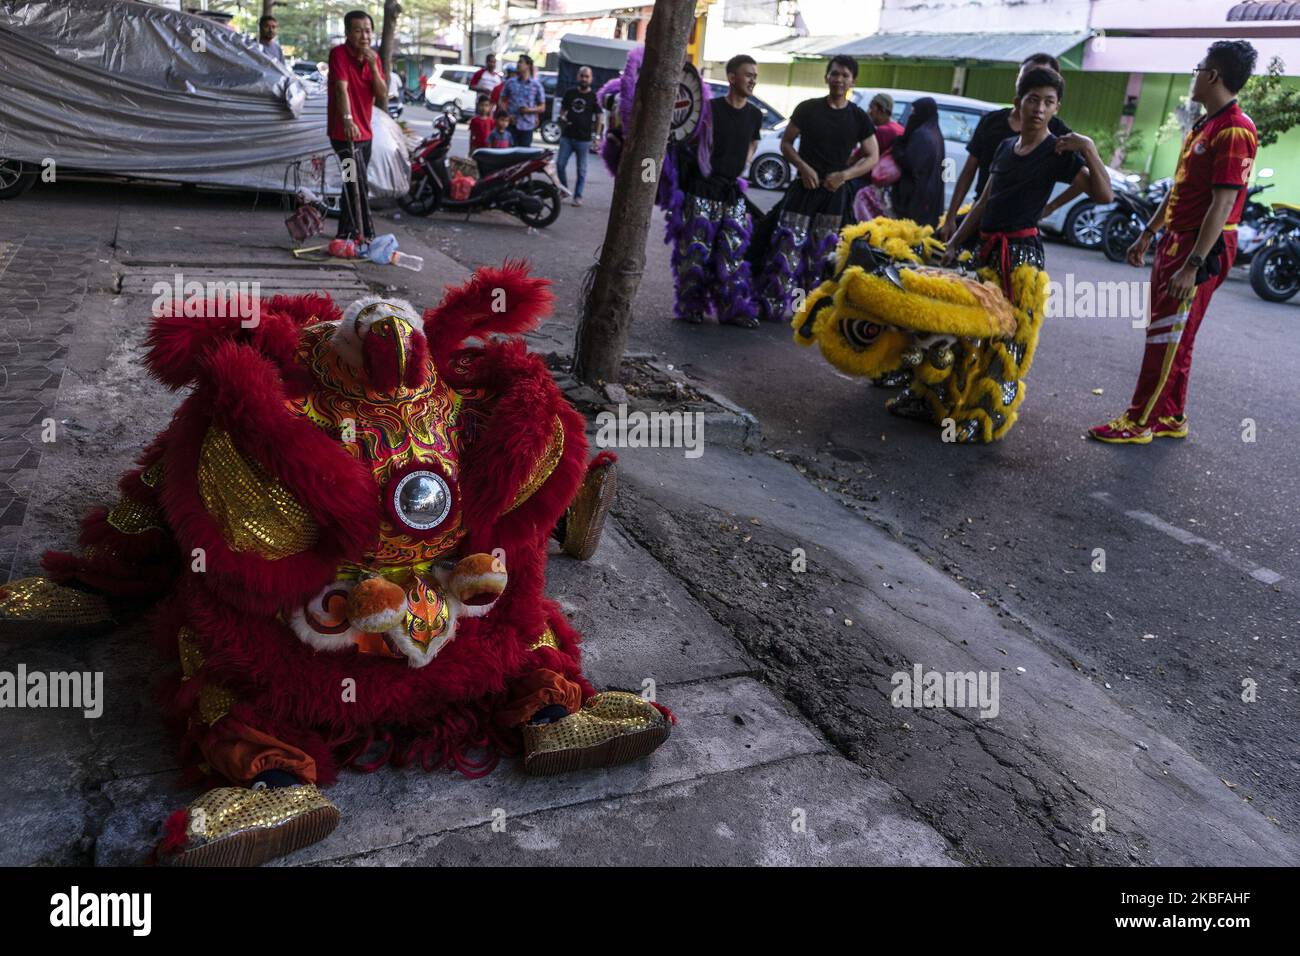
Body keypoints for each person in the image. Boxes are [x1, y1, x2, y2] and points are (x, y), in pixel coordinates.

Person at [1089, 41, 1258, 444]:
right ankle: (1171, 415)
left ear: (1213, 75)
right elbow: (1180, 189)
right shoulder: (1206, 124)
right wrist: (1149, 233)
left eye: (1199, 68)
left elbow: (1223, 203)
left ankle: (1138, 421)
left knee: (1165, 334)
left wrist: (1192, 265)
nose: (1194, 75)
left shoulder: (1235, 129)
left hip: (1200, 248)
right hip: (1177, 240)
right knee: (1175, 333)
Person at [942, 67, 1110, 283]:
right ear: (1018, 103)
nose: (1039, 109)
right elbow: (984, 203)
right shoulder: (1005, 146)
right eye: (1033, 100)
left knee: (1014, 317)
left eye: (1048, 102)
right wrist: (955, 243)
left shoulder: (1056, 151)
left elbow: (1105, 196)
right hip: (987, 249)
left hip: (1022, 259)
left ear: (1056, 108)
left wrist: (1089, 148)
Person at [754, 55, 879, 322]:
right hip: (803, 190)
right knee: (787, 248)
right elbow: (786, 143)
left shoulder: (858, 117)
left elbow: (872, 156)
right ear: (826, 77)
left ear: (852, 81)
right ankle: (773, 306)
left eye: (845, 75)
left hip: (834, 196)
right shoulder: (808, 108)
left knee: (819, 255)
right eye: (835, 74)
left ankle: (805, 310)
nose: (839, 79)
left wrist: (844, 175)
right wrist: (803, 166)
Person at [668, 54, 765, 328]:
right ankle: (691, 306)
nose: (753, 80)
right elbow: (685, 141)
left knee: (732, 253)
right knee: (695, 252)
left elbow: (753, 143)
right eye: (748, 75)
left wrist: (742, 163)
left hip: (731, 193)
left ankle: (732, 308)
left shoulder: (755, 114)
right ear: (732, 77)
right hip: (701, 190)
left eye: (755, 76)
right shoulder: (708, 111)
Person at [940, 53, 1071, 241]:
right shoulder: (992, 122)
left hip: (1019, 232)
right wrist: (950, 217)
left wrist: (1050, 207)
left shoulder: (1058, 132)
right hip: (981, 217)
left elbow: (1087, 180)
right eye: (1027, 75)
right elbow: (969, 171)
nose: (1034, 80)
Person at [327, 10, 388, 242]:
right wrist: (348, 119)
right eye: (358, 30)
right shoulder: (339, 54)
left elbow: (381, 95)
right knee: (355, 180)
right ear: (347, 33)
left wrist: (373, 67)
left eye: (368, 30)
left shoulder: (374, 58)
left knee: (352, 183)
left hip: (365, 135)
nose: (364, 36)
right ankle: (367, 233)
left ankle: (346, 232)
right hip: (344, 134)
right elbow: (341, 89)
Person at [891, 96, 945, 227]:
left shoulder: (922, 135)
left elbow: (910, 163)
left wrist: (898, 148)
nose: (911, 116)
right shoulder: (935, 133)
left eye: (915, 112)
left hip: (916, 198)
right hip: (927, 197)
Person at [852, 92, 904, 220]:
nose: (869, 112)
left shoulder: (883, 131)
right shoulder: (899, 128)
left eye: (872, 108)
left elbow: (858, 156)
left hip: (870, 181)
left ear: (881, 109)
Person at [556, 66, 602, 206]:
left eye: (587, 76)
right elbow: (563, 110)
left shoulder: (594, 97)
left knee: (581, 170)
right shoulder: (570, 93)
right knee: (560, 164)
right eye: (582, 76)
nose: (584, 79)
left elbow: (599, 117)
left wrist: (597, 137)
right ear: (577, 77)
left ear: (591, 79)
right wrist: (563, 117)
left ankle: (578, 196)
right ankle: (564, 189)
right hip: (567, 136)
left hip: (584, 139)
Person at [499, 54, 545, 147]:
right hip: (512, 124)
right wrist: (507, 115)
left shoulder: (536, 85)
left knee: (523, 154)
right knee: (509, 153)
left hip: (527, 125)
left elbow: (542, 107)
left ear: (528, 65)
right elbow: (501, 100)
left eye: (520, 62)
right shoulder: (510, 82)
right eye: (518, 62)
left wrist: (529, 110)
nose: (518, 64)